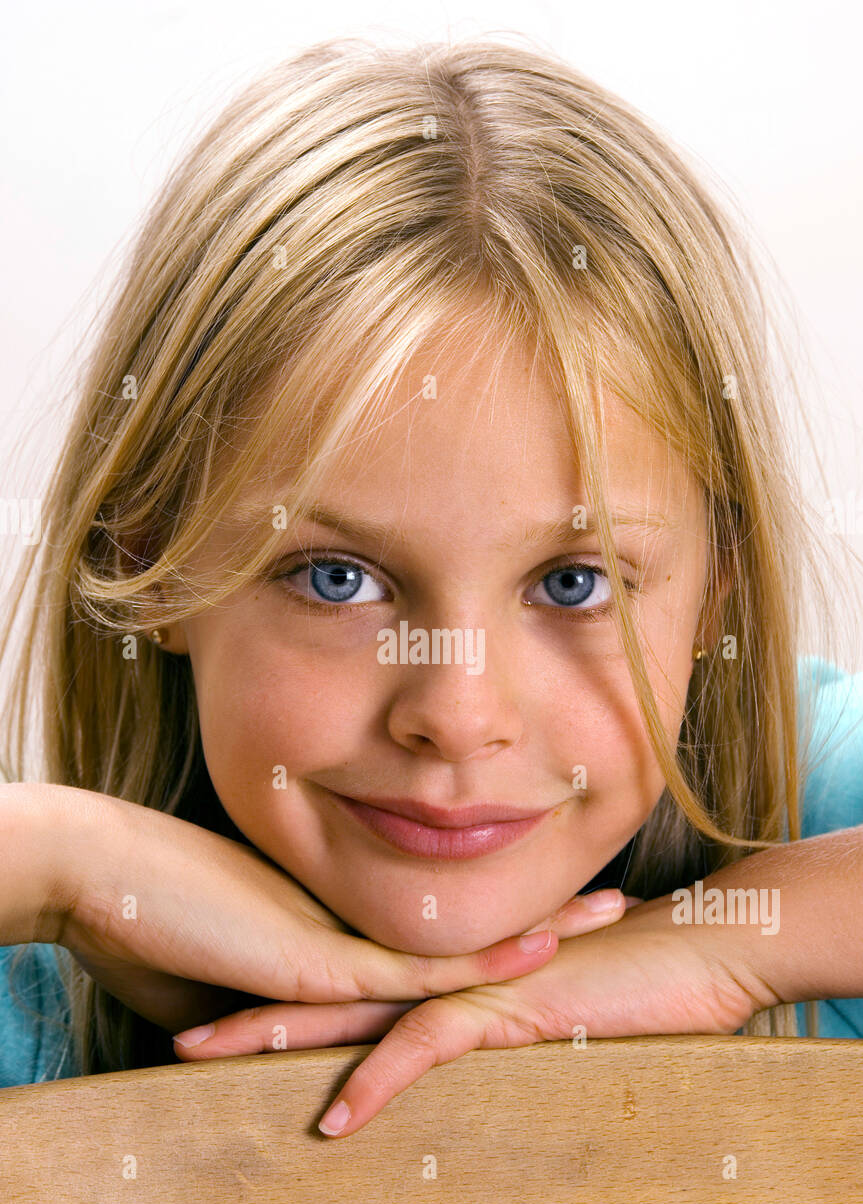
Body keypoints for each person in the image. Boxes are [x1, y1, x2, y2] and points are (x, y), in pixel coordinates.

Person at [1, 35, 861, 1140]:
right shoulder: (34, 1002)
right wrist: (63, 870)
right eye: (336, 577)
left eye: (571, 582)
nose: (455, 715)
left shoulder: (805, 807)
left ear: (715, 595)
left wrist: (726, 947)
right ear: (146, 562)